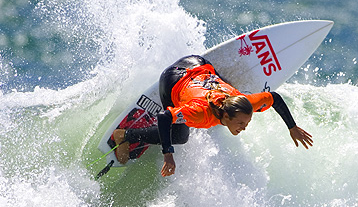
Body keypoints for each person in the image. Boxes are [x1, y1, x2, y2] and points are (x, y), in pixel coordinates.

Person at [111, 55, 313, 177]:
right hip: (174, 77)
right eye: (241, 123)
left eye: (246, 122)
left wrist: (292, 127)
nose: (244, 127)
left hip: (198, 62)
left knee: (225, 86)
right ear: (226, 116)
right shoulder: (199, 113)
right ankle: (126, 135)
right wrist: (168, 154)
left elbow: (274, 98)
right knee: (180, 136)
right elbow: (164, 117)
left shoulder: (244, 102)